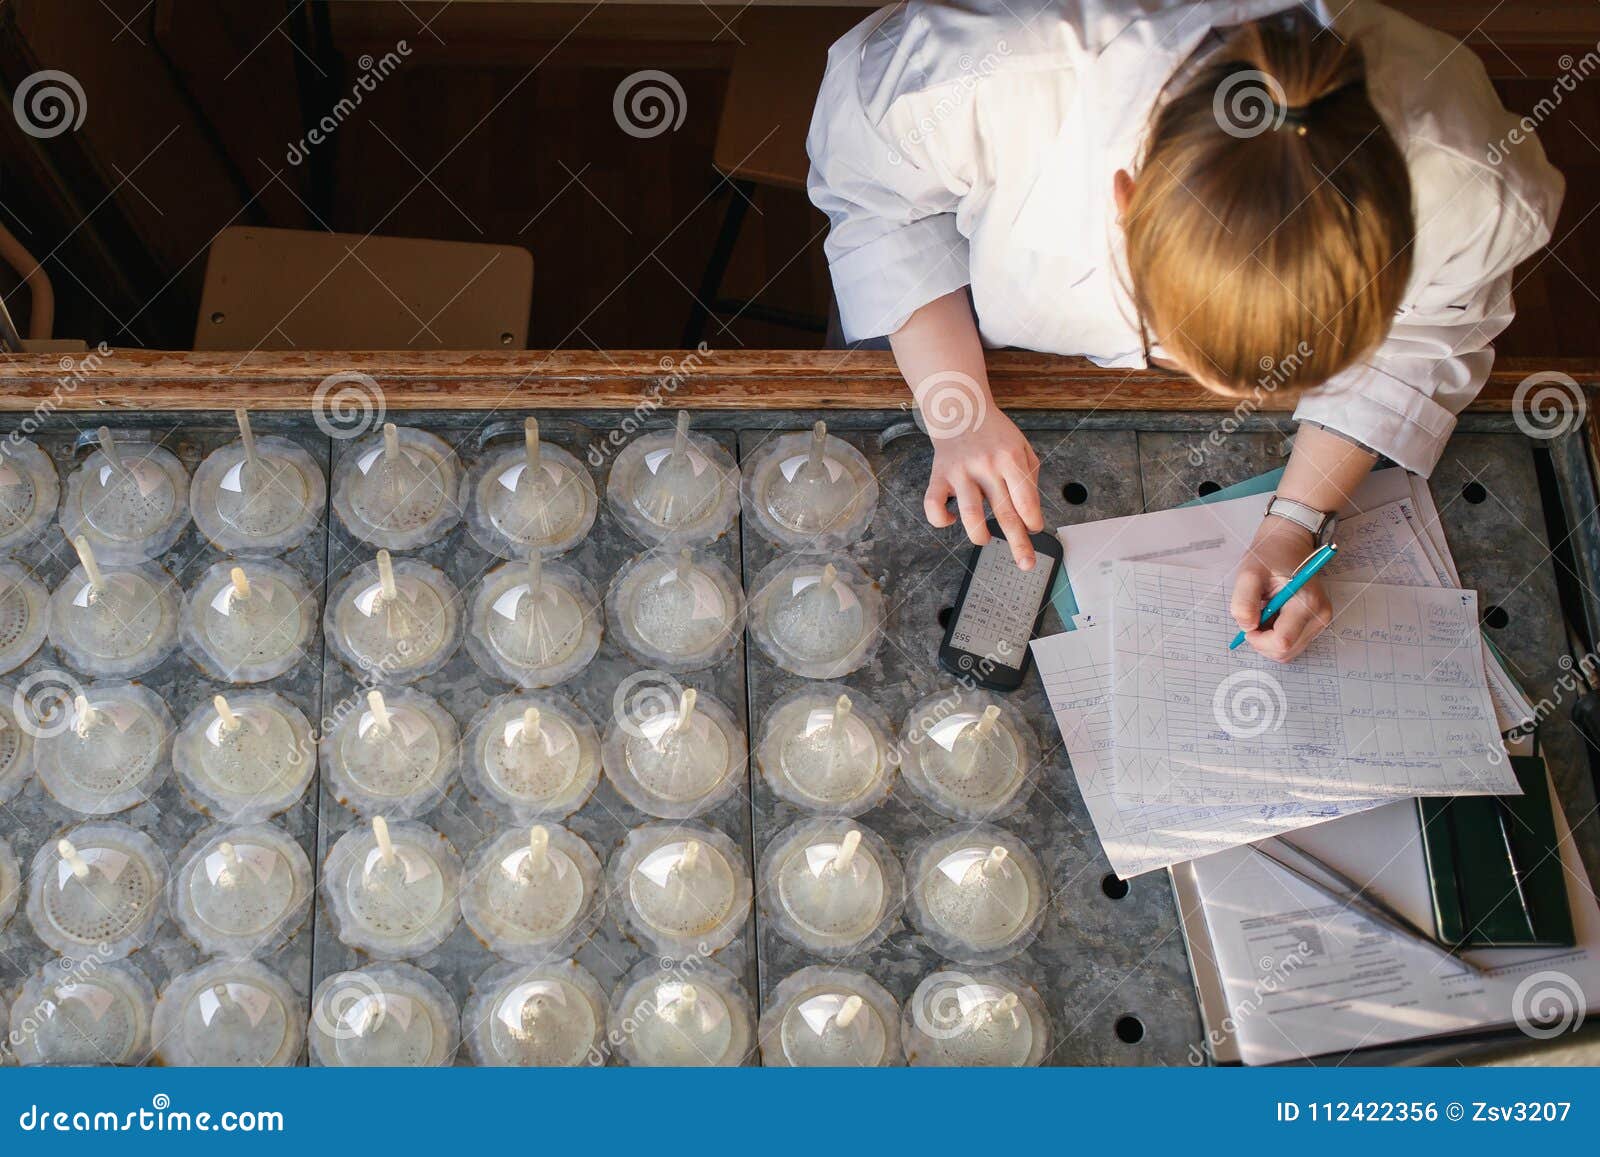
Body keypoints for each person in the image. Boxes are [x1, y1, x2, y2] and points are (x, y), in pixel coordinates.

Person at [806, 0, 1563, 662]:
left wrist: (1295, 521)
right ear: (1127, 202)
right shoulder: (986, 71)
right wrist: (956, 404)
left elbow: (1426, 334)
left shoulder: (1471, 186)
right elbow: (875, 197)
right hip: (950, 299)